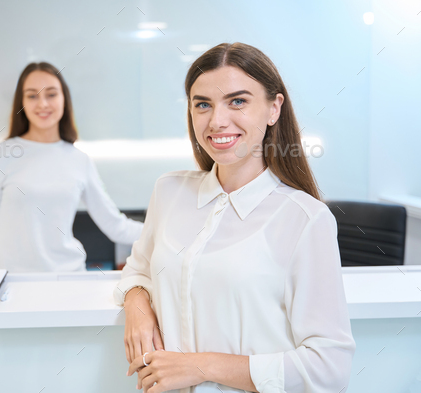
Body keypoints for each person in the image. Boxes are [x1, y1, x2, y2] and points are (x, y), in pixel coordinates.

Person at [114, 43, 356, 393]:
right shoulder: (169, 191)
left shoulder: (306, 219)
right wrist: (137, 303)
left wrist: (199, 366)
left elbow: (328, 369)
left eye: (238, 101)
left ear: (274, 108)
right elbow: (139, 268)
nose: (217, 121)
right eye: (203, 105)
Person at [0, 62, 143, 272]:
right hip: (11, 283)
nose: (42, 103)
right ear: (22, 103)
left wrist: (168, 231)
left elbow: (115, 226)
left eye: (51, 94)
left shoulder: (80, 160)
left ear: (64, 100)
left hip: (68, 279)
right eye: (32, 96)